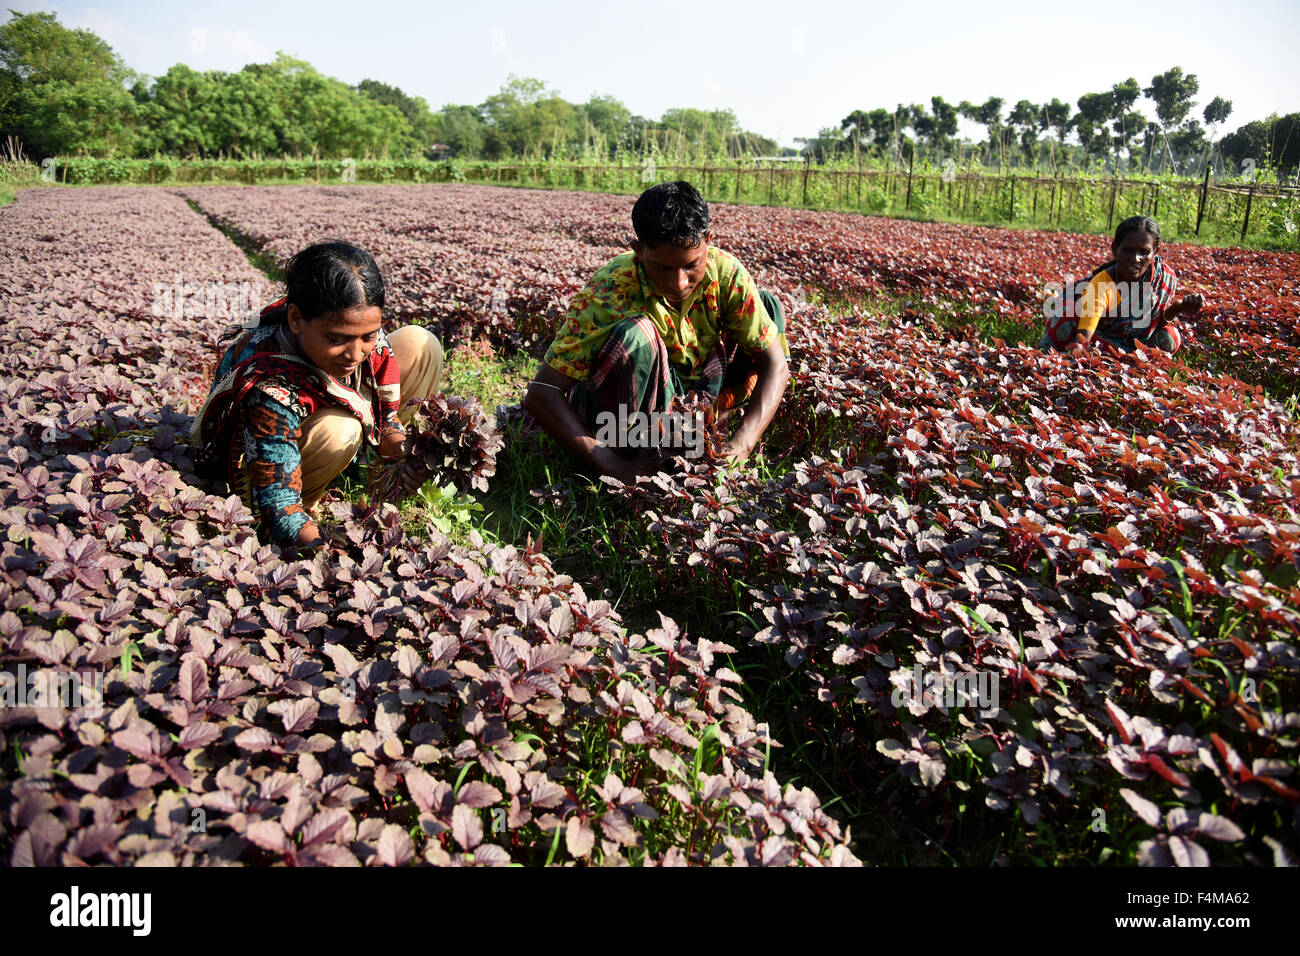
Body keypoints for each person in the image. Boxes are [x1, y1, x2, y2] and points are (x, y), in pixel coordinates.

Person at [521, 181, 790, 484]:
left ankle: (707, 424)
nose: (678, 283)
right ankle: (635, 450)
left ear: (709, 242)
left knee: (767, 305)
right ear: (638, 250)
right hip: (625, 416)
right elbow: (543, 393)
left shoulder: (726, 274)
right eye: (661, 268)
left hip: (693, 391)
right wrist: (613, 466)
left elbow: (776, 365)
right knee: (640, 335)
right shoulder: (611, 289)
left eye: (691, 265)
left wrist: (742, 445)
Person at [192, 241, 443, 553]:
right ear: (296, 319)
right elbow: (277, 503)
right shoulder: (270, 384)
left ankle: (378, 479)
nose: (355, 354)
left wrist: (404, 447)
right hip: (262, 471)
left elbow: (385, 410)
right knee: (340, 430)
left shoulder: (359, 336)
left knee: (420, 343)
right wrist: (328, 552)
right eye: (338, 339)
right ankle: (310, 503)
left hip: (324, 421)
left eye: (367, 335)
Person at [1041, 215, 1205, 354]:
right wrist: (1081, 348)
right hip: (1104, 342)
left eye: (1144, 252)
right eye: (1128, 250)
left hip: (1140, 347)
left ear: (1155, 252)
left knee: (1171, 337)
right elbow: (1086, 330)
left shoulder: (1162, 277)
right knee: (1064, 319)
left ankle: (1135, 366)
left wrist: (1178, 307)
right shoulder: (1103, 283)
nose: (1135, 258)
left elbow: (1159, 322)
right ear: (1115, 250)